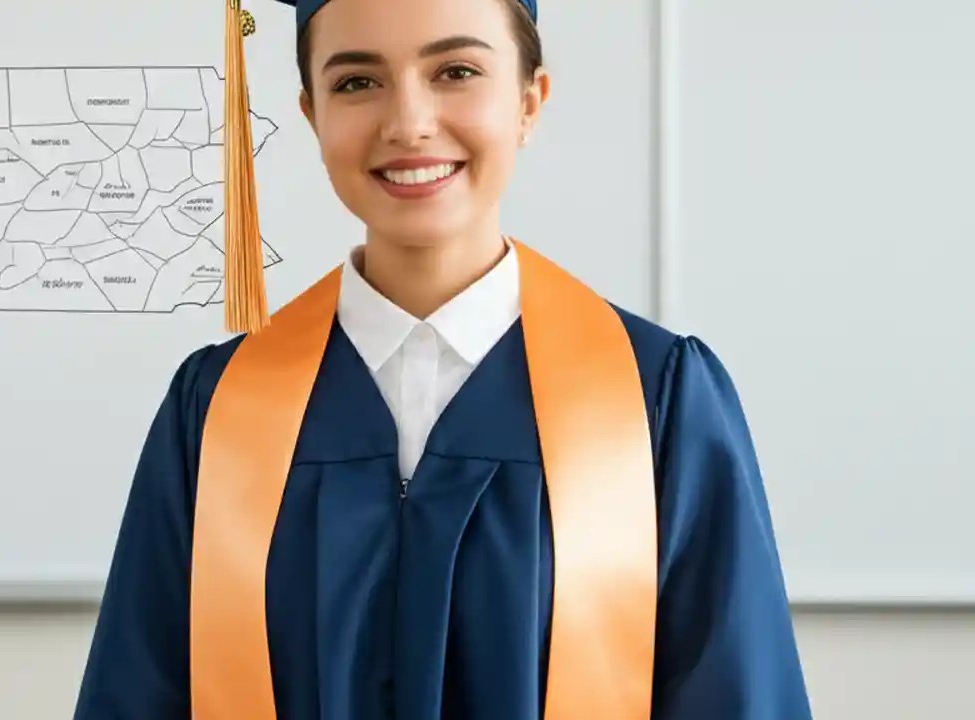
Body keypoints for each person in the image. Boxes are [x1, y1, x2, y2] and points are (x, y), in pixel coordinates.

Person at [72, 0, 813, 717]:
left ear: (530, 100)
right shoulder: (221, 406)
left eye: (455, 71)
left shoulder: (653, 400)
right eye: (357, 82)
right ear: (311, 115)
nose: (409, 123)